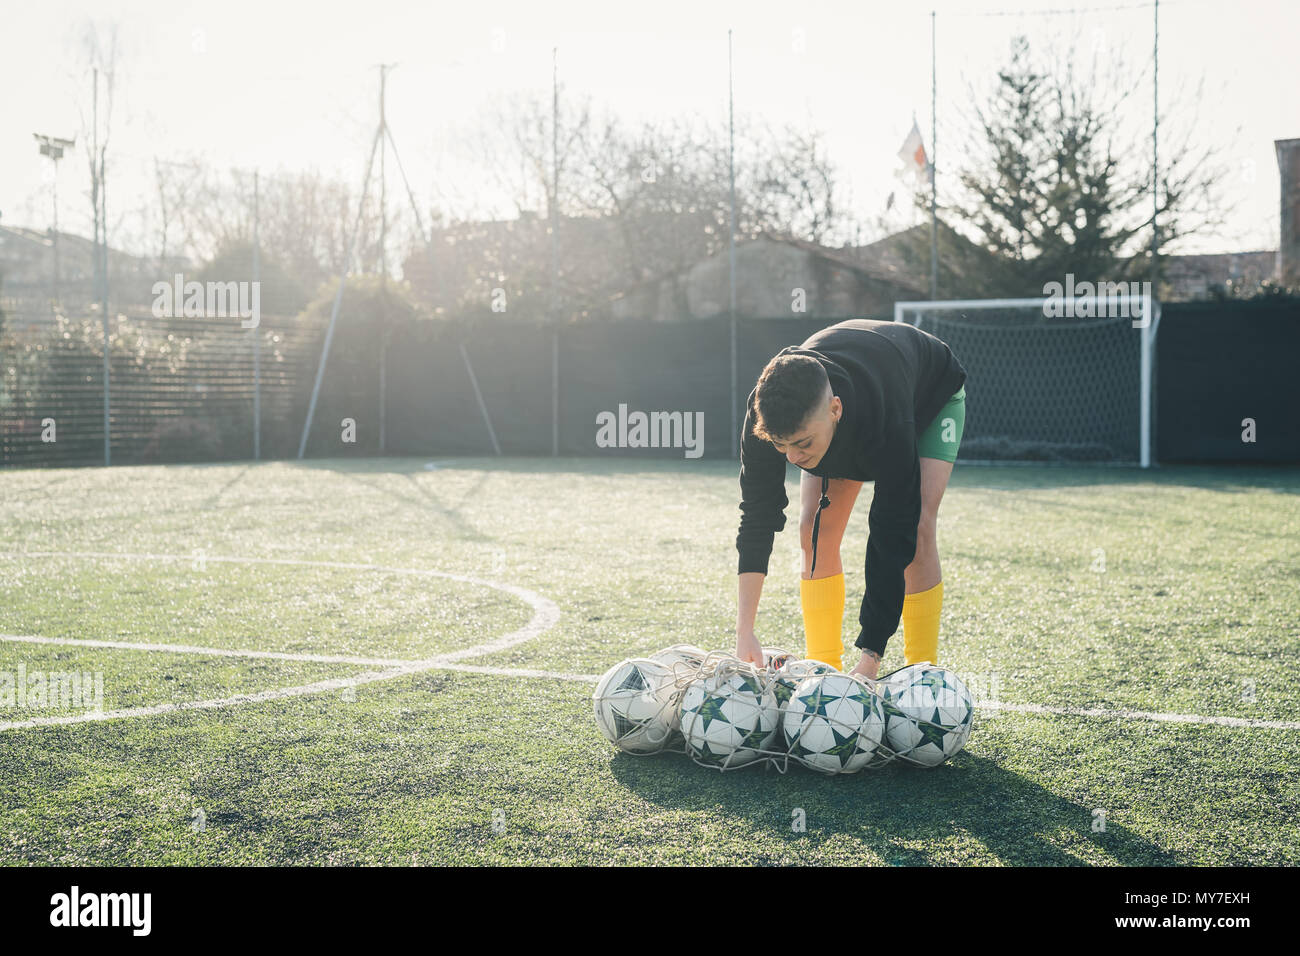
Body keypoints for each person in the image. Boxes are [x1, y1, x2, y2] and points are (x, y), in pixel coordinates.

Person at [734, 318, 967, 680]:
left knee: (917, 527)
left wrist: (870, 657)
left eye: (803, 444)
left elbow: (892, 531)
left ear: (835, 410)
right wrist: (744, 630)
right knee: (814, 528)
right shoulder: (766, 416)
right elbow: (757, 515)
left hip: (926, 395)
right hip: (856, 396)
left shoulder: (884, 419)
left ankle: (921, 676)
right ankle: (823, 672)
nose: (792, 458)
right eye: (782, 446)